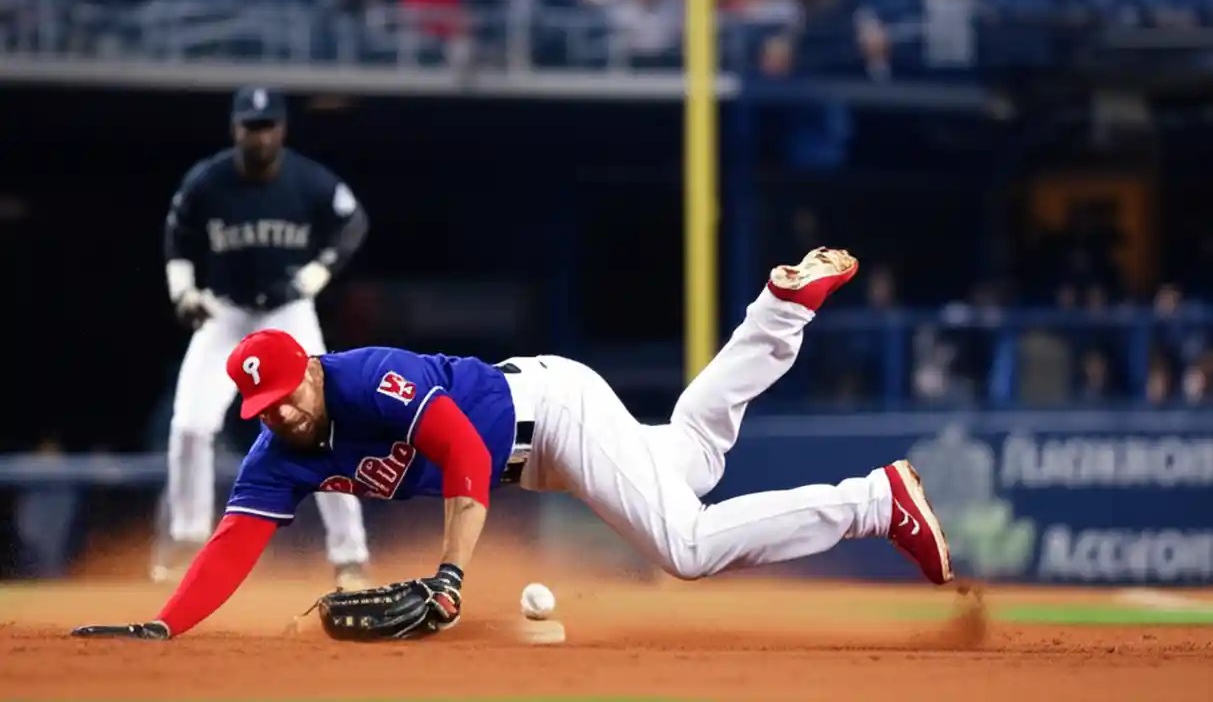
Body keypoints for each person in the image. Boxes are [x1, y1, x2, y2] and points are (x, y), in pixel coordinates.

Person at [72, 248, 952, 641]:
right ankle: (780, 311)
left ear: (307, 367)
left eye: (282, 397)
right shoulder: (280, 448)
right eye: (261, 410)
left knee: (685, 547)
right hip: (541, 448)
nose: (278, 418)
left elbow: (459, 449)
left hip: (550, 412)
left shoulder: (365, 374)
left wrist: (453, 574)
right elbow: (232, 545)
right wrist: (165, 621)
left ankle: (873, 500)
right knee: (695, 455)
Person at [155, 85, 372, 589]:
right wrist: (182, 289)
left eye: (267, 125)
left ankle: (350, 555)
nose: (259, 135)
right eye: (250, 126)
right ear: (235, 130)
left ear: (282, 128)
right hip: (226, 312)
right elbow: (178, 235)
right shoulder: (208, 181)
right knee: (190, 423)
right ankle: (187, 538)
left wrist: (319, 274)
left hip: (288, 312)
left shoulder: (306, 178)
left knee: (326, 423)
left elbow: (353, 221)